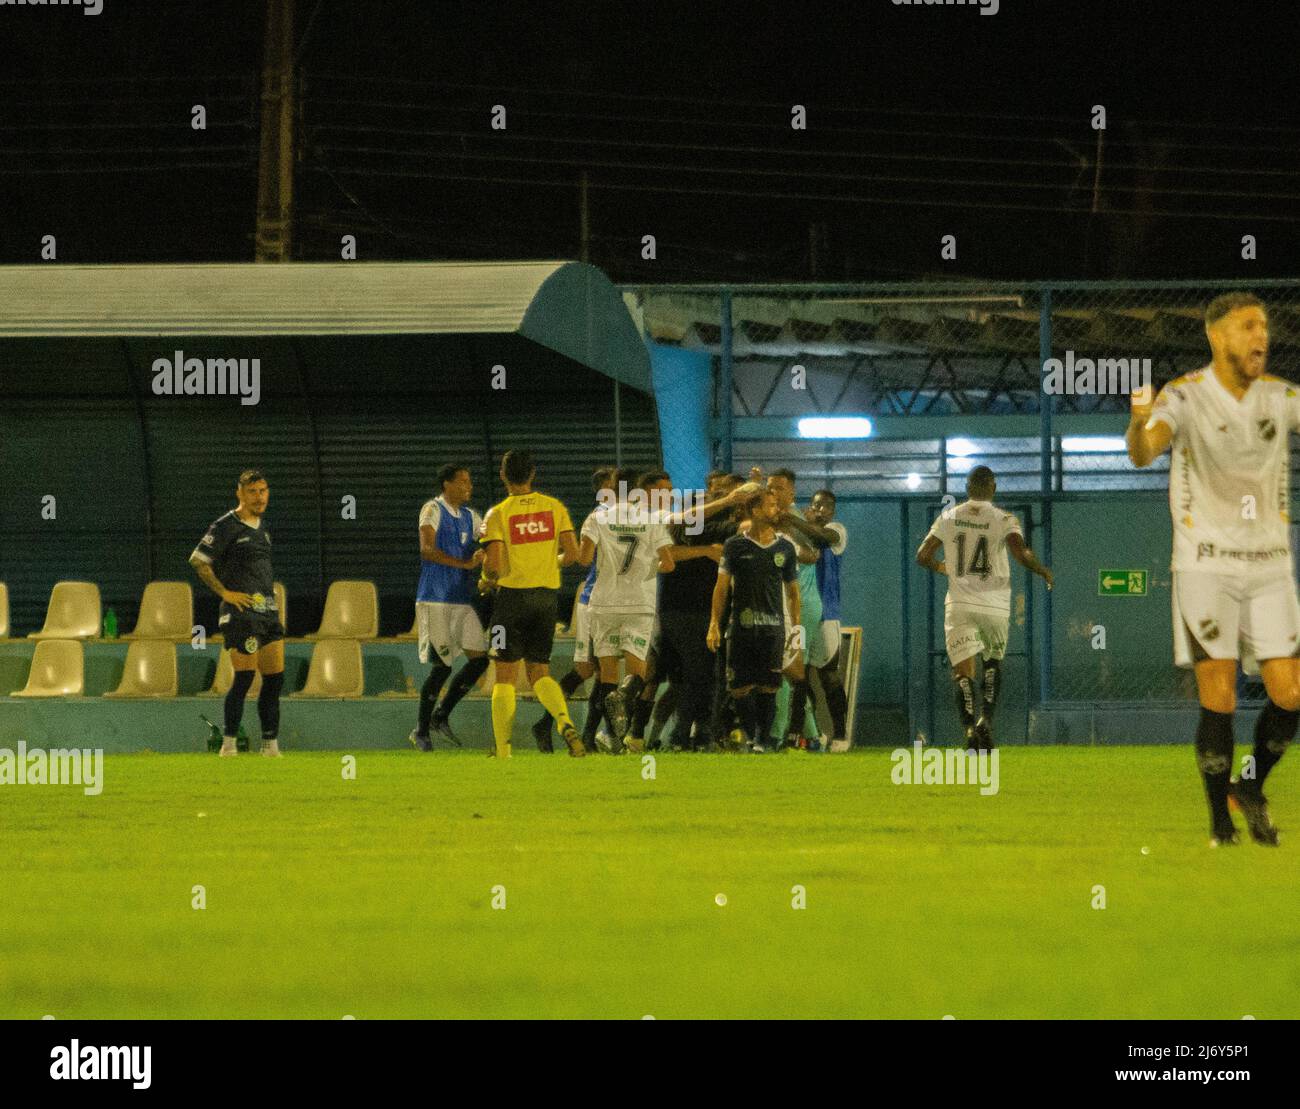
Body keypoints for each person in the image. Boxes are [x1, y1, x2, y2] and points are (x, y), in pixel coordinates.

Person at [1127, 291, 1297, 846]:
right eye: (1248, 326)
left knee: (1290, 692)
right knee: (1219, 695)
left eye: (1264, 327)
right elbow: (1144, 451)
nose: (1261, 337)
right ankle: (1221, 825)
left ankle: (1248, 785)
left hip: (1270, 566)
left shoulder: (1280, 396)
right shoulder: (1185, 395)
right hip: (1205, 567)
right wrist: (1137, 424)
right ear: (1217, 337)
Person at [915, 465, 1052, 750]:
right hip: (994, 604)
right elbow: (1020, 552)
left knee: (962, 672)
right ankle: (985, 721)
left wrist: (943, 568)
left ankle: (967, 730)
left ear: (967, 489)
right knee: (992, 663)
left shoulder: (949, 516)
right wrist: (1041, 570)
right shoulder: (1004, 519)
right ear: (993, 488)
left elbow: (922, 555)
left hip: (960, 603)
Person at [480, 450, 586, 758]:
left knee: (505, 674)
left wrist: (486, 576)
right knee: (540, 670)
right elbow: (575, 555)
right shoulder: (554, 508)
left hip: (510, 602)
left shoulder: (497, 513)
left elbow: (495, 566)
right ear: (533, 474)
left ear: (503, 475)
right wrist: (546, 561)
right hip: (546, 600)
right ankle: (564, 722)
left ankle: (502, 750)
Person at [577, 468, 675, 751]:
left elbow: (584, 559)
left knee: (607, 672)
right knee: (638, 671)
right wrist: (647, 568)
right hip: (639, 603)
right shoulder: (651, 520)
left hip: (603, 602)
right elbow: (667, 564)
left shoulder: (597, 517)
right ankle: (618, 715)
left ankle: (609, 736)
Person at [189, 469, 285, 758]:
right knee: (244, 678)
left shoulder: (263, 528)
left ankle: (270, 746)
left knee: (275, 679)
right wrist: (225, 594)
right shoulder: (225, 525)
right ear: (240, 493)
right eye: (253, 492)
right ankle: (228, 743)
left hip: (267, 612)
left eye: (263, 491)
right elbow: (198, 561)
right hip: (241, 613)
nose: (259, 497)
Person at [707, 488, 800, 751]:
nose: (777, 510)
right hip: (741, 628)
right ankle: (751, 735)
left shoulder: (785, 547)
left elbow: (793, 592)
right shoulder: (735, 545)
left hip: (773, 627)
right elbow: (721, 587)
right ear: (756, 511)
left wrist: (797, 628)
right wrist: (714, 623)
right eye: (771, 506)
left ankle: (761, 739)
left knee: (769, 687)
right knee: (739, 687)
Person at [531, 466, 614, 752]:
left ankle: (582, 735)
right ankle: (561, 727)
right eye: (613, 485)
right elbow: (581, 557)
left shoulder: (625, 517)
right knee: (589, 668)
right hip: (594, 599)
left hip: (613, 601)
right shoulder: (599, 519)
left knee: (601, 671)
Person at [409, 464, 490, 751]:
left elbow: (490, 542)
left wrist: (485, 557)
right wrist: (466, 563)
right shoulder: (432, 509)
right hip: (435, 598)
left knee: (480, 659)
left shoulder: (472, 516)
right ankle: (421, 730)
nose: (469, 486)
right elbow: (427, 549)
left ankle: (441, 715)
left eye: (470, 481)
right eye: (463, 481)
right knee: (441, 667)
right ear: (447, 484)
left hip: (462, 600)